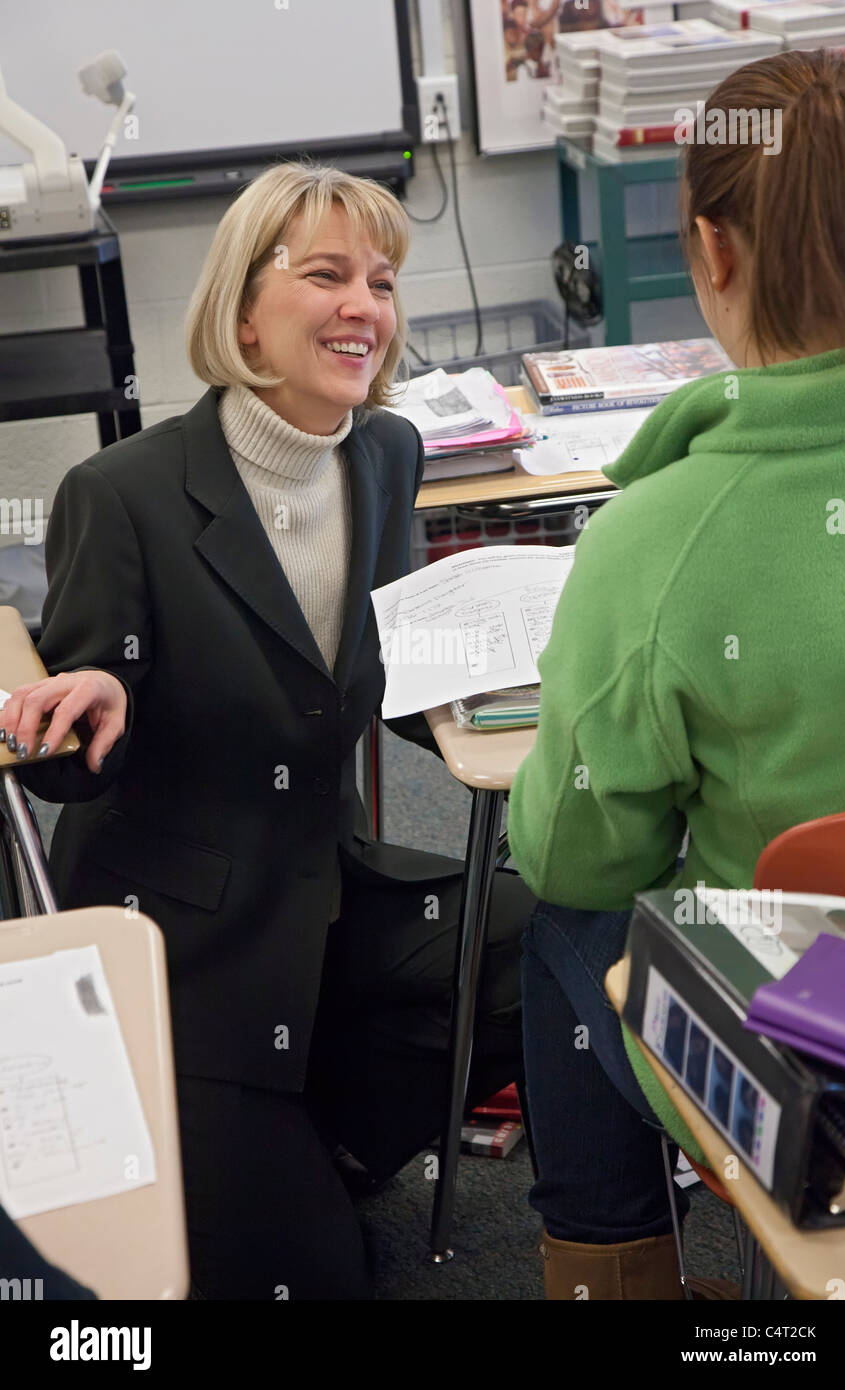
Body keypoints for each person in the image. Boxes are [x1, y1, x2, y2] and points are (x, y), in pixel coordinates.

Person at [1, 162, 531, 1300]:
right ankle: (266, 1131)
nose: (364, 307)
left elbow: (386, 676)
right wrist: (101, 699)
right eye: (327, 274)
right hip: (184, 947)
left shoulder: (382, 455)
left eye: (382, 282)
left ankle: (322, 1119)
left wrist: (515, 672)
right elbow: (79, 765)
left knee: (558, 942)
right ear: (244, 306)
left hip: (323, 887)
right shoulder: (123, 492)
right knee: (310, 1282)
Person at [506, 48, 845, 1299]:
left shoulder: (653, 539)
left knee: (554, 925)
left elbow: (576, 854)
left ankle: (612, 1273)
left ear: (710, 254)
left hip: (818, 1044)